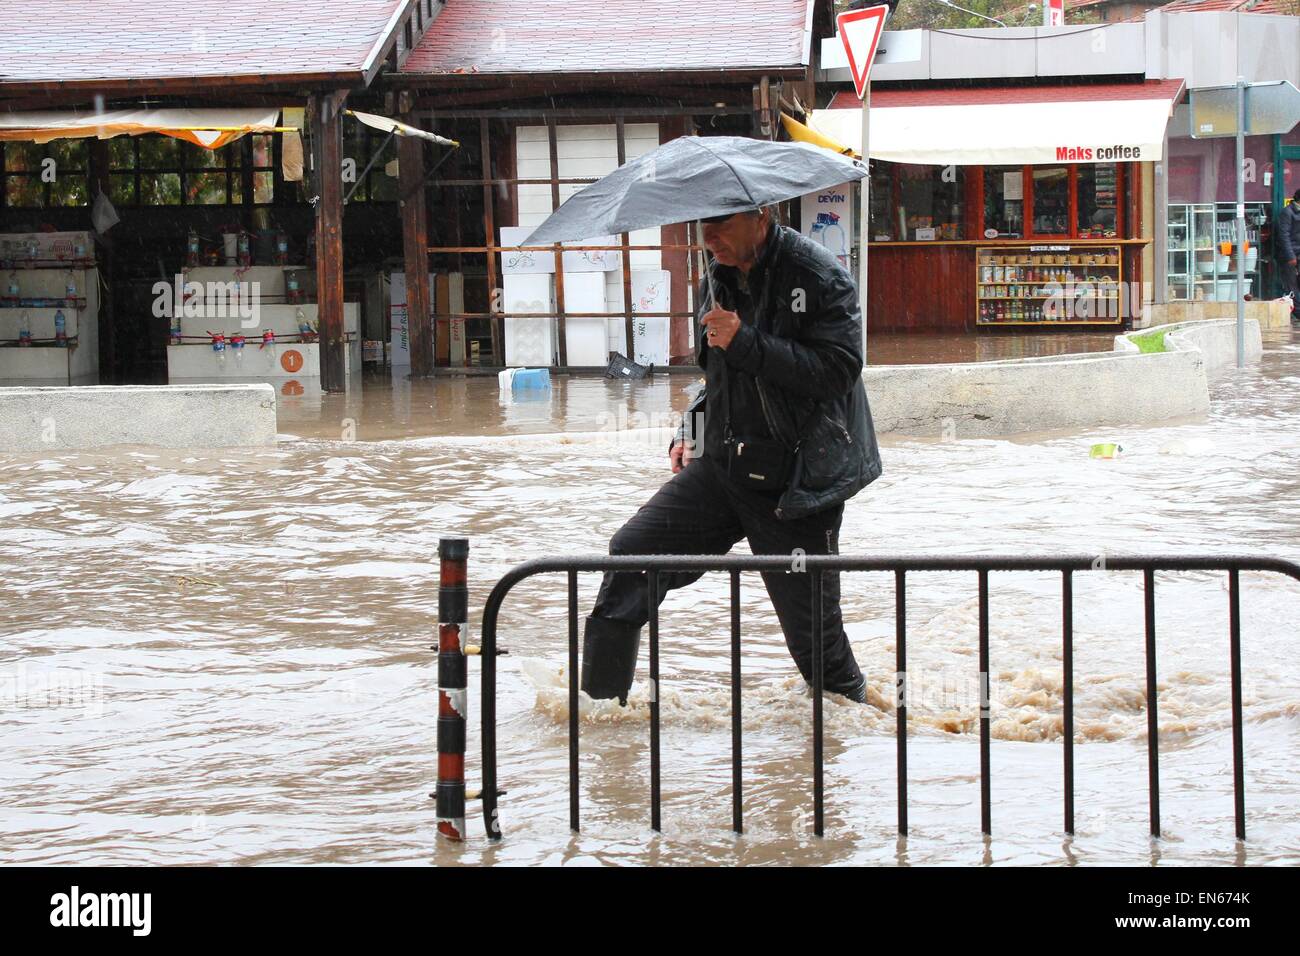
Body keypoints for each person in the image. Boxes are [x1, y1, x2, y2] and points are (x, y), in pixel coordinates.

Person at [580, 206, 883, 705]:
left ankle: (856, 737)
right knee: (632, 553)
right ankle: (596, 711)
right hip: (725, 467)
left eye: (720, 224)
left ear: (759, 216)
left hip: (796, 483)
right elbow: (719, 377)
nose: (709, 236)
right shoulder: (717, 276)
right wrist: (691, 429)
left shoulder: (820, 275)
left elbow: (837, 372)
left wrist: (746, 341)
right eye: (703, 225)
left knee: (818, 652)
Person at [1277, 189, 1300, 326]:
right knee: (1292, 285)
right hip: (1289, 255)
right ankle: (1298, 313)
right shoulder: (1287, 212)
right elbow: (1284, 236)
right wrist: (1290, 256)